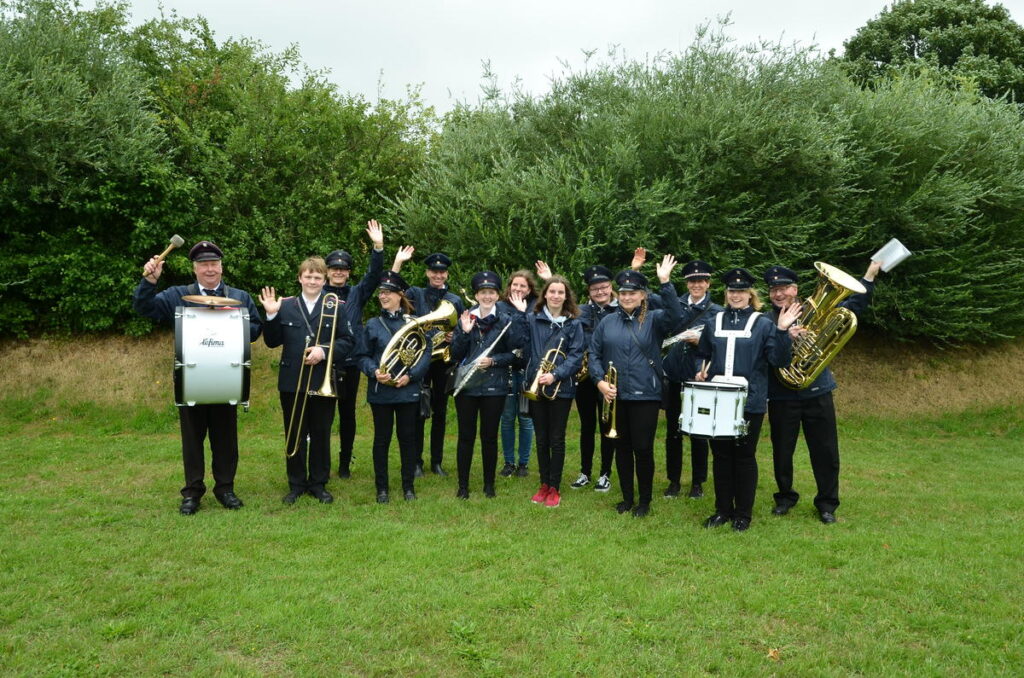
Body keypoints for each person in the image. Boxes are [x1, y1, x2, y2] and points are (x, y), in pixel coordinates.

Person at [133, 240, 263, 515]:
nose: (210, 269)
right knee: (192, 440)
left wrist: (230, 319)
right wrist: (149, 282)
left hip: (227, 378)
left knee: (226, 439)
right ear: (195, 268)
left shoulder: (239, 296)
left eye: (214, 263)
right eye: (204, 264)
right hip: (191, 379)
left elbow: (254, 330)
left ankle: (225, 489)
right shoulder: (178, 295)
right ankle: (192, 492)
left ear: (221, 267)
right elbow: (145, 308)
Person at [764, 260, 882, 524]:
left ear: (795, 289)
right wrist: (784, 335)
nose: (779, 293)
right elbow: (766, 354)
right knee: (782, 451)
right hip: (782, 394)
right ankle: (785, 497)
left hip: (817, 391)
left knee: (826, 450)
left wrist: (869, 277)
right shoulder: (764, 320)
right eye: (774, 289)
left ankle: (827, 504)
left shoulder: (813, 309)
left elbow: (853, 307)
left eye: (784, 288)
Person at [693, 268, 800, 531]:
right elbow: (703, 352)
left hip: (749, 401)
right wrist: (701, 368)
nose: (736, 295)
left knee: (743, 456)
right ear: (726, 293)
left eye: (741, 291)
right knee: (720, 455)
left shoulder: (763, 323)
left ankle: (743, 514)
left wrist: (783, 332)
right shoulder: (713, 320)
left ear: (749, 294)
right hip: (718, 398)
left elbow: (780, 360)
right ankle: (722, 511)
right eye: (732, 291)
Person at [589, 256, 682, 518]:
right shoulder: (607, 321)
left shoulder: (654, 319)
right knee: (622, 448)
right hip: (614, 395)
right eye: (623, 293)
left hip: (645, 395)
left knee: (642, 449)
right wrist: (599, 381)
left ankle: (644, 501)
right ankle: (627, 498)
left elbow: (678, 317)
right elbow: (593, 354)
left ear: (643, 295)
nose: (627, 297)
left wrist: (666, 282)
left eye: (633, 293)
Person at [260, 257, 355, 505]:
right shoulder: (286, 305)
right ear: (299, 278)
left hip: (322, 378)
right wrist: (270, 316)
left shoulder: (336, 305)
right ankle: (296, 483)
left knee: (321, 432)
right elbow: (271, 342)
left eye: (317, 277)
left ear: (324, 280)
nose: (312, 281)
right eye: (308, 276)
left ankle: (318, 483)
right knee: (295, 433)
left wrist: (323, 351)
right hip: (292, 380)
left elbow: (348, 341)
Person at [355, 271, 431, 503]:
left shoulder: (413, 323)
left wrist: (411, 375)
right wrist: (373, 371)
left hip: (407, 390)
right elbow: (362, 356)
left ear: (400, 295)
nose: (383, 296)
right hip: (382, 392)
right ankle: (382, 489)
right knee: (381, 440)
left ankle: (408, 487)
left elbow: (425, 353)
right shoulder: (373, 324)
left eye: (388, 292)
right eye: (381, 292)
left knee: (408, 440)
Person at [510, 275, 585, 508]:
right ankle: (543, 483)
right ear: (545, 295)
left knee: (557, 438)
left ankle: (555, 486)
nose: (555, 296)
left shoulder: (574, 324)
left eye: (560, 292)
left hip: (561, 389)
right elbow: (518, 341)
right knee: (541, 438)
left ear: (566, 296)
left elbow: (575, 356)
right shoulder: (532, 319)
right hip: (536, 385)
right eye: (551, 291)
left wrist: (555, 374)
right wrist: (521, 315)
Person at [391, 249, 466, 477]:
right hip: (418, 362)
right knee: (418, 412)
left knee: (440, 413)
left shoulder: (455, 300)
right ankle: (416, 461)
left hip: (442, 362)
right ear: (427, 272)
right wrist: (398, 264)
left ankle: (437, 461)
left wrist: (456, 336)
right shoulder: (415, 293)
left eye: (442, 272)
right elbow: (392, 289)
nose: (438, 275)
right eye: (434, 271)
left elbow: (463, 330)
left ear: (447, 275)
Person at [323, 219, 386, 479]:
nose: (339, 272)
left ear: (348, 273)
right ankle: (320, 462)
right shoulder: (317, 292)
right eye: (334, 269)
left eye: (343, 269)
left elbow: (374, 277)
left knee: (347, 415)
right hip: (323, 361)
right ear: (327, 271)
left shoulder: (356, 293)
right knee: (322, 418)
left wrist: (378, 247)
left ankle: (345, 463)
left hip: (349, 363)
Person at [449, 271, 519, 499]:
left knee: (489, 437)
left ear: (497, 295)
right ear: (476, 295)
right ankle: (463, 486)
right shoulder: (466, 318)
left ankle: (489, 485)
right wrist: (464, 333)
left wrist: (494, 361)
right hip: (467, 386)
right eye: (482, 292)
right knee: (465, 436)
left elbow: (517, 354)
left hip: (494, 386)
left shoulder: (507, 319)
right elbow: (455, 354)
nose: (487, 296)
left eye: (491, 292)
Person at [662, 260, 723, 499]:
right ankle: (673, 481)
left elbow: (721, 345)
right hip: (675, 376)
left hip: (699, 379)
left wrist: (700, 342)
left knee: (699, 434)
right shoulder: (675, 306)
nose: (696, 284)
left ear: (708, 283)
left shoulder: (717, 311)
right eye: (691, 281)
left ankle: (697, 482)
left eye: (701, 280)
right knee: (673, 433)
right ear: (686, 284)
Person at [570, 265, 619, 493]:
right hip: (585, 378)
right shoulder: (580, 312)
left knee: (607, 425)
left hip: (609, 377)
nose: (600, 292)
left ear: (611, 288)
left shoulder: (620, 310)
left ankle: (605, 474)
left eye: (604, 287)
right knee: (587, 425)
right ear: (589, 291)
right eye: (595, 289)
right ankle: (585, 471)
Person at [497, 270, 538, 478]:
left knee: (525, 418)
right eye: (515, 285)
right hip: (505, 369)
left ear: (529, 289)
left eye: (523, 286)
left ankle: (523, 463)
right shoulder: (500, 306)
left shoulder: (536, 308)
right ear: (509, 286)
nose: (518, 289)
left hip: (526, 370)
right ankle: (508, 462)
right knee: (506, 418)